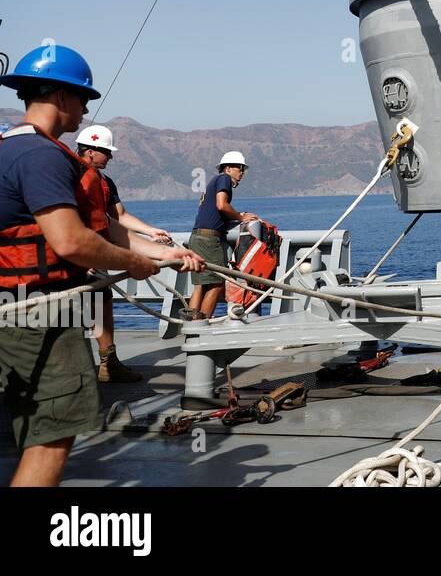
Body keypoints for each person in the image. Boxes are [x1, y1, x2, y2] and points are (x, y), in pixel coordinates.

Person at [0, 44, 203, 486]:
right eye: (83, 99)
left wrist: (163, 253)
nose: (86, 109)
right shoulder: (43, 156)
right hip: (39, 315)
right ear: (61, 97)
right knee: (54, 432)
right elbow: (70, 241)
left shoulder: (10, 149)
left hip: (16, 306)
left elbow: (102, 227)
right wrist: (132, 263)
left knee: (34, 423)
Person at [74, 125, 173, 383]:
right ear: (90, 151)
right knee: (69, 310)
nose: (111, 157)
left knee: (101, 302)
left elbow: (118, 217)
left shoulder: (105, 182)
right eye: (106, 151)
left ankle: (108, 362)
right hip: (74, 255)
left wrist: (150, 231)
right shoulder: (68, 176)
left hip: (94, 254)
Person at [185, 151, 258, 321]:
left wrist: (237, 214)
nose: (242, 172)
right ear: (229, 168)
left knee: (200, 285)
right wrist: (241, 218)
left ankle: (191, 325)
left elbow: (217, 210)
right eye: (240, 168)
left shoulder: (213, 183)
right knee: (217, 284)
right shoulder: (223, 179)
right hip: (210, 240)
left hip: (197, 237)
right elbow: (221, 205)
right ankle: (202, 323)